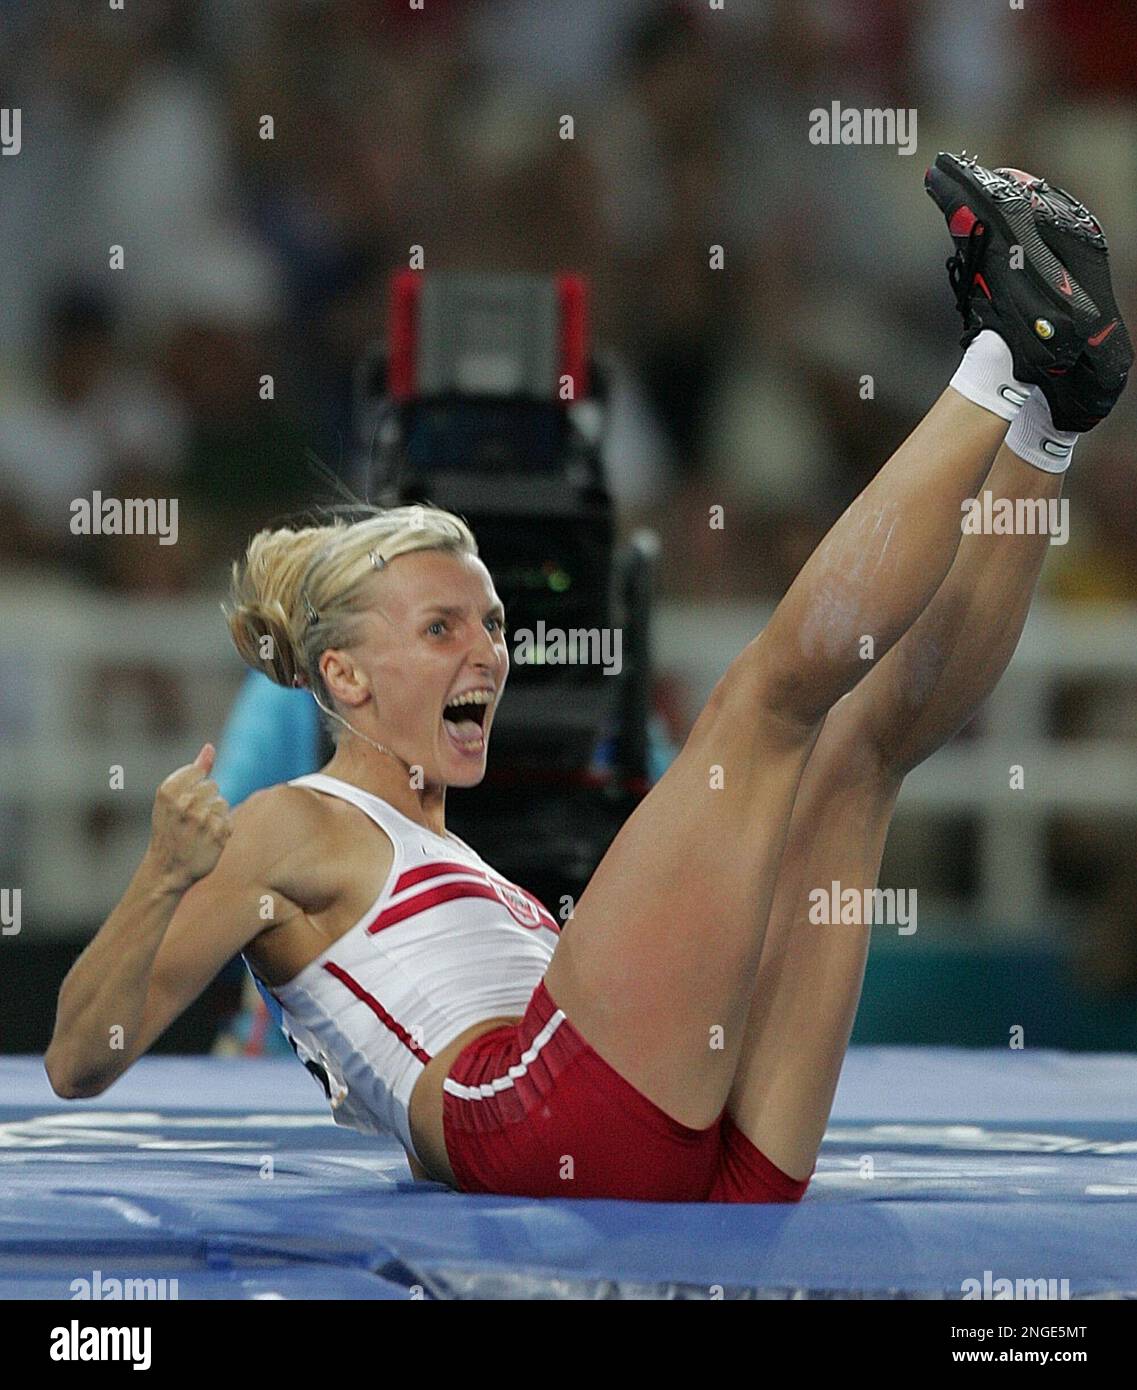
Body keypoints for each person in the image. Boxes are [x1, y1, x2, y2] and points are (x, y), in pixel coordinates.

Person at [46, 155, 1131, 1201]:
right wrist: (161, 876)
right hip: (526, 1115)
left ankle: (1047, 414)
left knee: (863, 759)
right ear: (345, 675)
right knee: (761, 708)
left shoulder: (457, 861)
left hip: (692, 1154)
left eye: (494, 625)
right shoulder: (290, 824)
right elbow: (76, 1063)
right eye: (441, 628)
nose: (490, 654)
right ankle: (998, 351)